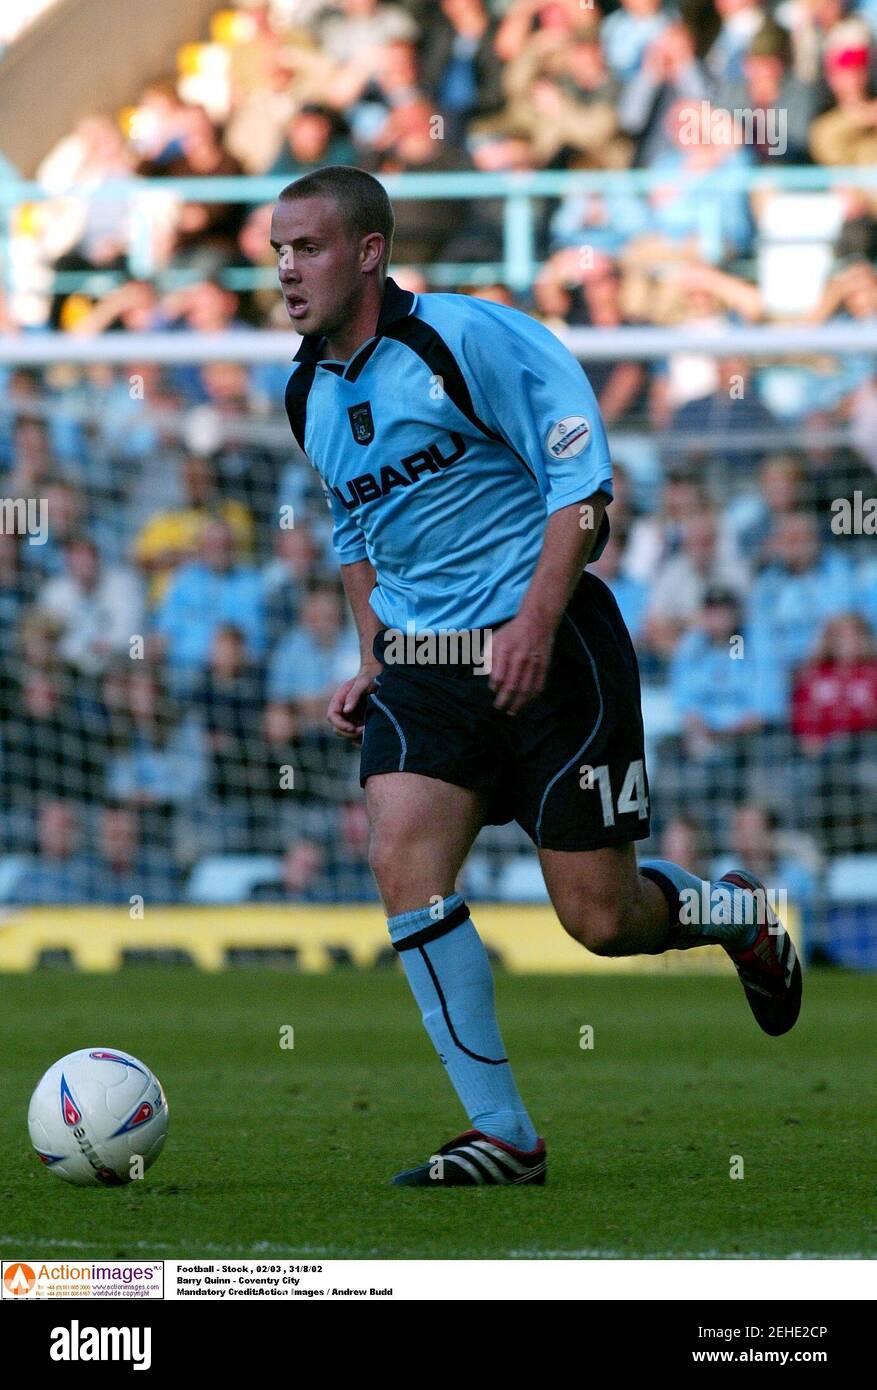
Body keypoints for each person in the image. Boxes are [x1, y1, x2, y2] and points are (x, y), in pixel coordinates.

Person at [273, 165, 802, 1188]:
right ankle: (503, 1133)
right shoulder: (306, 388)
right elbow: (353, 526)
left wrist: (531, 620)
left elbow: (584, 493)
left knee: (599, 920)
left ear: (369, 252)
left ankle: (735, 914)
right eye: (278, 252)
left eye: (308, 248)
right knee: (401, 862)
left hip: (554, 648)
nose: (288, 271)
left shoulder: (476, 340)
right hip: (427, 665)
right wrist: (375, 653)